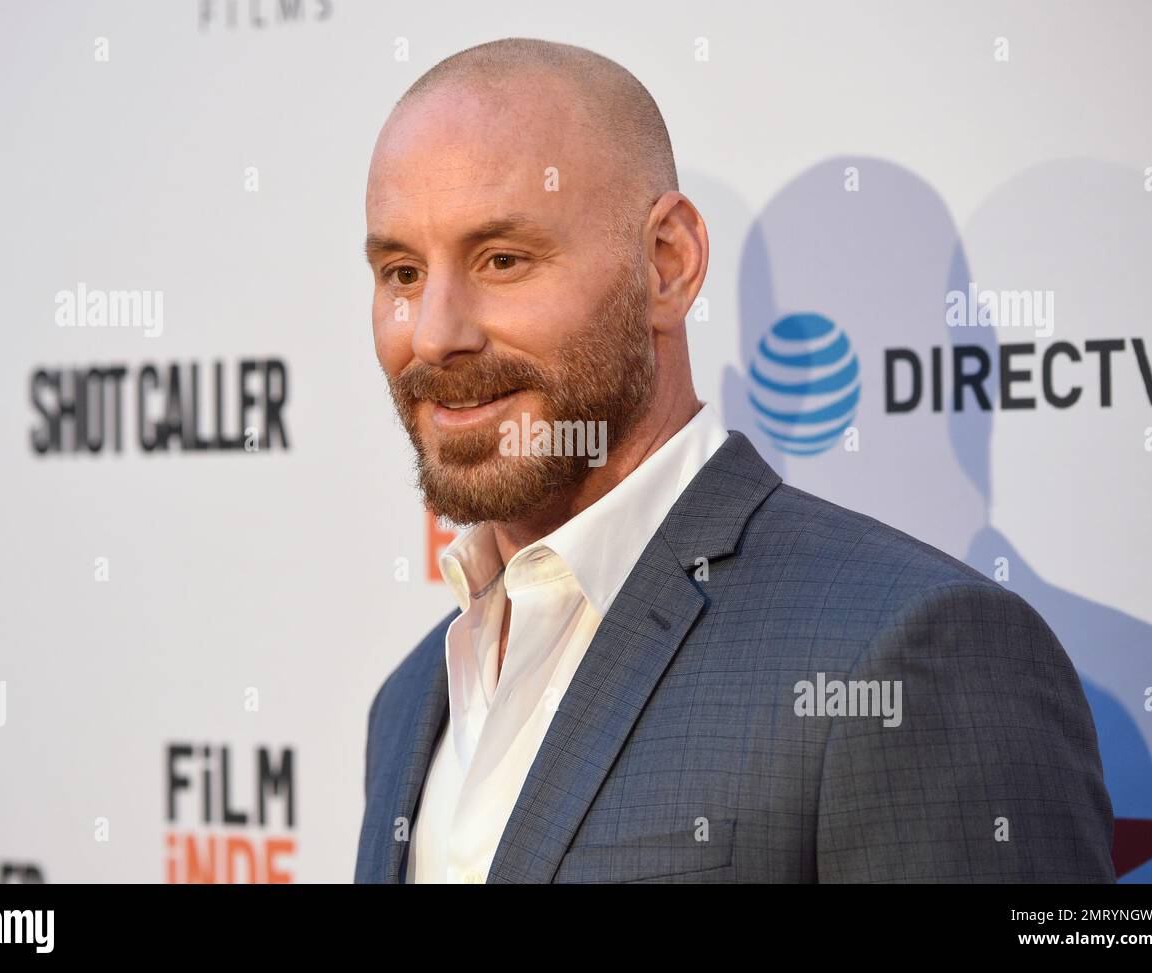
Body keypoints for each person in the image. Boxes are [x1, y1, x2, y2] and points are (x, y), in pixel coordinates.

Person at [355, 37, 1113, 883]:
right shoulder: (407, 702)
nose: (435, 334)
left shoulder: (909, 652)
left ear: (667, 265)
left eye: (503, 260)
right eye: (403, 273)